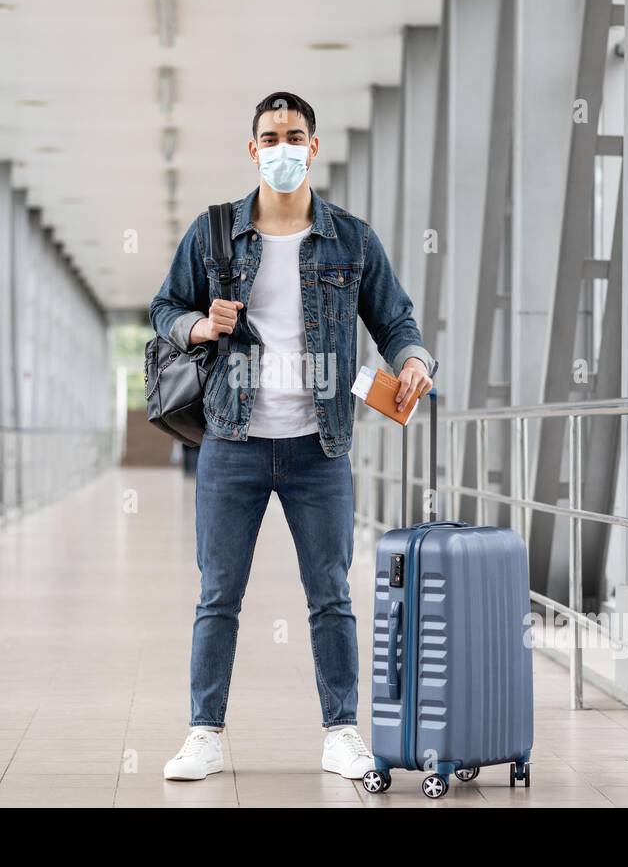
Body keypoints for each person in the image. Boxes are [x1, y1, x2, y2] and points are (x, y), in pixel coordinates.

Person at [149, 91, 435, 781]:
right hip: (232, 441)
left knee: (331, 593)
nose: (283, 147)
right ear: (254, 150)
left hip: (319, 447)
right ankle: (204, 732)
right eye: (270, 137)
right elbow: (164, 308)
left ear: (313, 146)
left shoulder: (351, 239)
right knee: (219, 594)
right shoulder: (214, 232)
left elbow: (394, 318)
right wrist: (199, 326)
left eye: (295, 135)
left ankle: (342, 732)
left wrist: (415, 360)